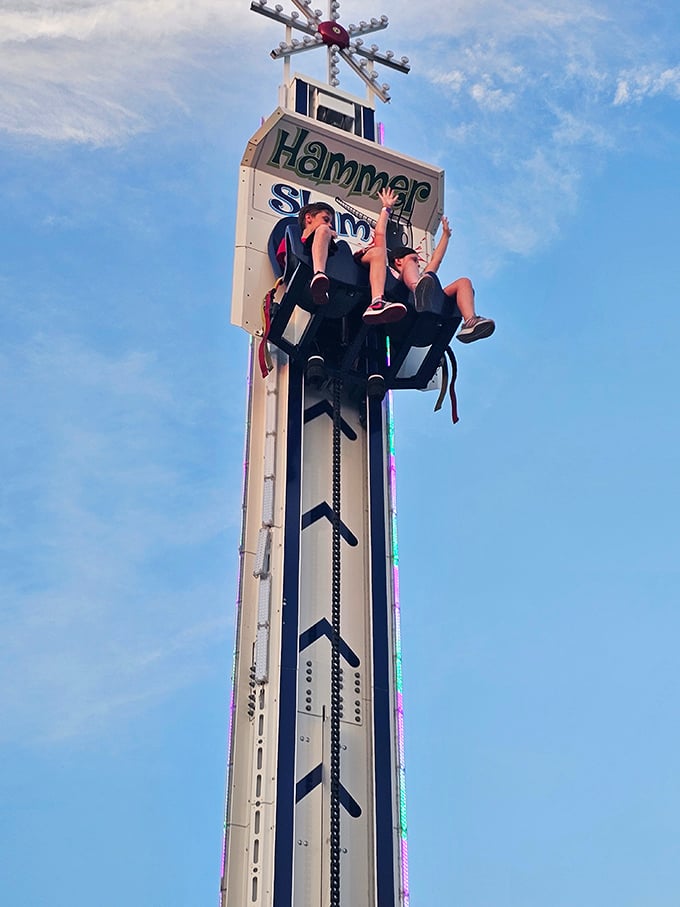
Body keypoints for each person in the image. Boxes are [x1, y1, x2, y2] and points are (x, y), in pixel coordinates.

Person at [296, 190, 407, 325]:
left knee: (378, 252)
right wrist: (325, 231)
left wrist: (386, 209)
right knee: (323, 230)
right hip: (309, 284)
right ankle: (318, 276)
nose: (330, 225)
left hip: (341, 290)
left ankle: (377, 302)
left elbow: (380, 237)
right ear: (308, 218)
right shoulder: (296, 239)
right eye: (326, 219)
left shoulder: (335, 249)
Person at [388, 217, 495, 343]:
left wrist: (446, 236)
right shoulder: (392, 274)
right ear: (398, 260)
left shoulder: (424, 279)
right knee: (424, 274)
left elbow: (436, 260)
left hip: (426, 323)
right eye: (415, 260)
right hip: (399, 319)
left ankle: (470, 321)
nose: (417, 264)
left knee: (464, 282)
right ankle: (417, 290)